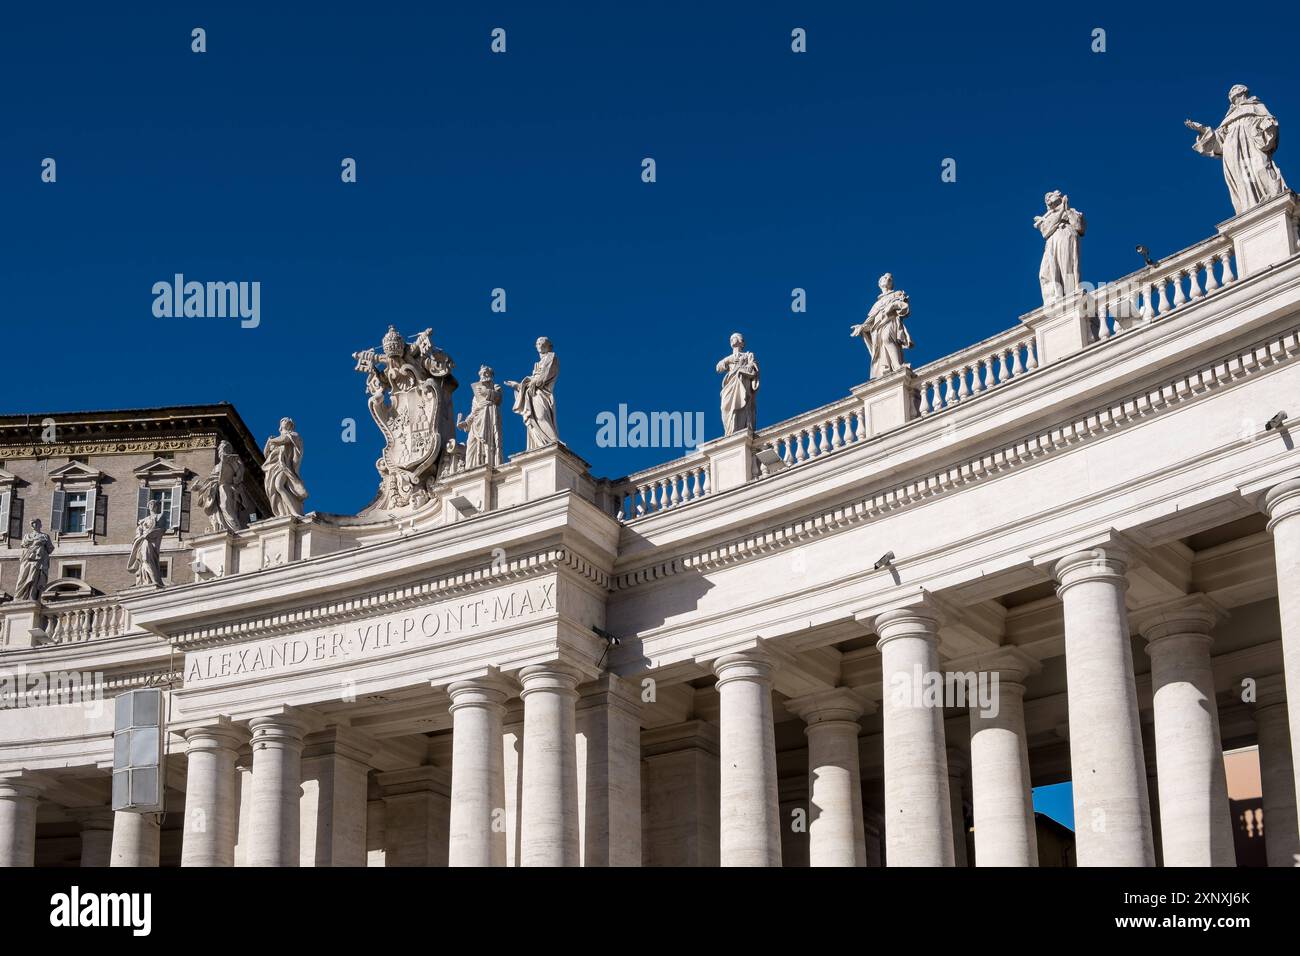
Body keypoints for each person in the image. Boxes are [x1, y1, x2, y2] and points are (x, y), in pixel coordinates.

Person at [1187, 85, 1288, 216]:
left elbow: (1269, 122)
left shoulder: (1256, 106)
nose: (1231, 92)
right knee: (1241, 178)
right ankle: (1248, 206)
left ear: (1242, 91)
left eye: (1234, 89)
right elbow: (1219, 140)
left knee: (1262, 167)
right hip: (1232, 150)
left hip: (1252, 144)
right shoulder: (1229, 116)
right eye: (1230, 92)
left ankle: (1273, 196)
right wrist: (1203, 130)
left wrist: (1267, 126)